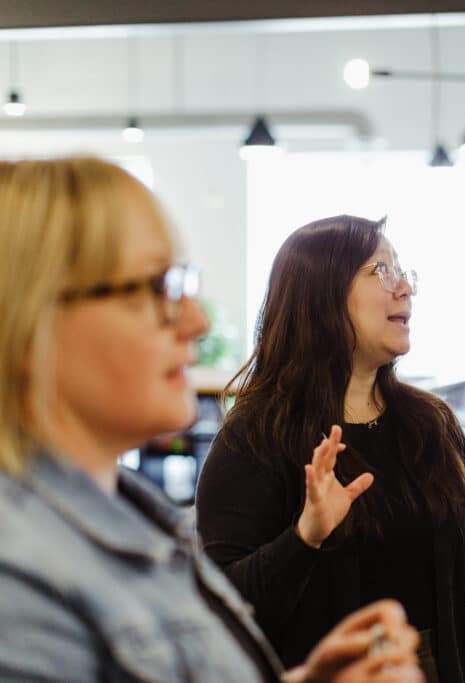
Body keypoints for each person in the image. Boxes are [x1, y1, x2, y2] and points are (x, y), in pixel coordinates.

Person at [0, 156, 424, 682]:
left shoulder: (134, 512)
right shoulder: (18, 585)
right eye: (152, 290)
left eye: (180, 283)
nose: (195, 321)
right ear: (29, 320)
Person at [195, 214, 465, 683]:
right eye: (381, 271)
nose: (404, 289)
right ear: (321, 295)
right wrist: (304, 537)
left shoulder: (430, 425)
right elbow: (220, 608)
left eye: (403, 272)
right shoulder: (257, 436)